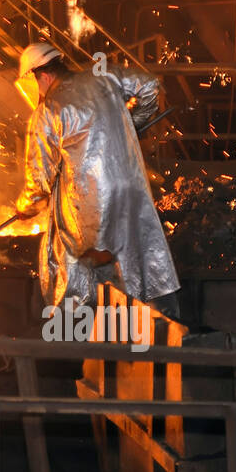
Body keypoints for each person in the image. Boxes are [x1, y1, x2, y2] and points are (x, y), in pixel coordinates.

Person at [12, 42, 181, 317]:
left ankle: (85, 323)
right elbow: (150, 85)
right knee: (135, 248)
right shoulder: (102, 77)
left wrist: (25, 207)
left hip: (87, 203)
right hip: (131, 189)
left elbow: (39, 180)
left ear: (40, 75)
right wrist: (131, 124)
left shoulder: (47, 112)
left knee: (82, 263)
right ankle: (154, 317)